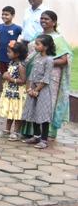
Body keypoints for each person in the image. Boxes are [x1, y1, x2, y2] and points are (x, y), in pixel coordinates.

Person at [36, 11, 71, 140]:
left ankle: (48, 133)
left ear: (54, 22)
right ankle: (35, 131)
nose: (43, 20)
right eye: (41, 18)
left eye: (46, 19)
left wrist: (46, 63)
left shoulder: (58, 38)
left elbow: (64, 59)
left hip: (52, 76)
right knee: (35, 100)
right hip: (37, 74)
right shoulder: (38, 35)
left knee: (49, 102)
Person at [21, 35, 56, 149]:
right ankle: (36, 136)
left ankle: (44, 140)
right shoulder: (37, 58)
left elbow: (46, 78)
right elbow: (32, 75)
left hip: (43, 90)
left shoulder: (49, 60)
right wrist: (30, 88)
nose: (35, 46)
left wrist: (36, 90)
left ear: (45, 47)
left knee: (43, 114)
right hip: (33, 89)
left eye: (38, 44)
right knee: (34, 111)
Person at [0, 41, 28, 140]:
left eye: (9, 52)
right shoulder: (12, 62)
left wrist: (10, 79)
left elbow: (23, 81)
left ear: (17, 54)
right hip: (10, 90)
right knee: (10, 110)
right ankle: (7, 129)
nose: (7, 53)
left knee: (17, 111)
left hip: (18, 93)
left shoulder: (21, 66)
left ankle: (16, 132)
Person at [0, 6, 22, 74]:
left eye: (6, 15)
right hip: (1, 56)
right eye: (3, 14)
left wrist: (18, 45)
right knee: (3, 75)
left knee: (12, 75)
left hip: (12, 57)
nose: (4, 16)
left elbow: (24, 37)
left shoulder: (17, 28)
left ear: (13, 15)